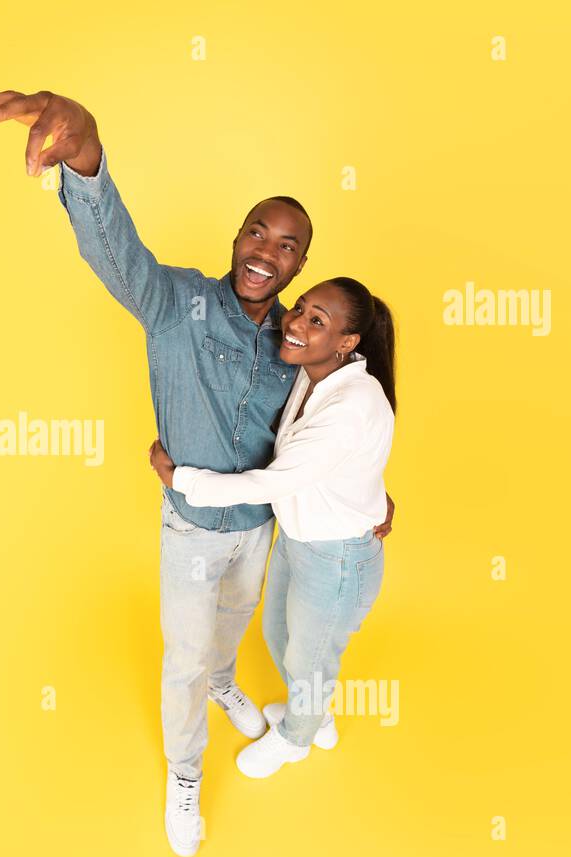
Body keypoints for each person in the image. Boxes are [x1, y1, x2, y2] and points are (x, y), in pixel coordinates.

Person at [0, 90, 394, 857]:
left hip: (262, 529)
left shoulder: (302, 339)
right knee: (185, 658)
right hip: (193, 529)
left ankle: (231, 680)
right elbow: (116, 252)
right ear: (237, 239)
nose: (269, 250)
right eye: (258, 231)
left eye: (289, 244)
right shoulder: (175, 302)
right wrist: (88, 154)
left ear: (303, 262)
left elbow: (333, 426)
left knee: (231, 628)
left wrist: (373, 494)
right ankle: (186, 771)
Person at [150, 277, 396, 782]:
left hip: (337, 557)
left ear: (348, 342)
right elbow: (349, 464)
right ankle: (316, 717)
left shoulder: (352, 403)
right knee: (278, 634)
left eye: (316, 321)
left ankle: (296, 738)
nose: (296, 322)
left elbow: (272, 480)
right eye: (301, 308)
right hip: (299, 543)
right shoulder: (315, 371)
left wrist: (180, 479)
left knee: (310, 659)